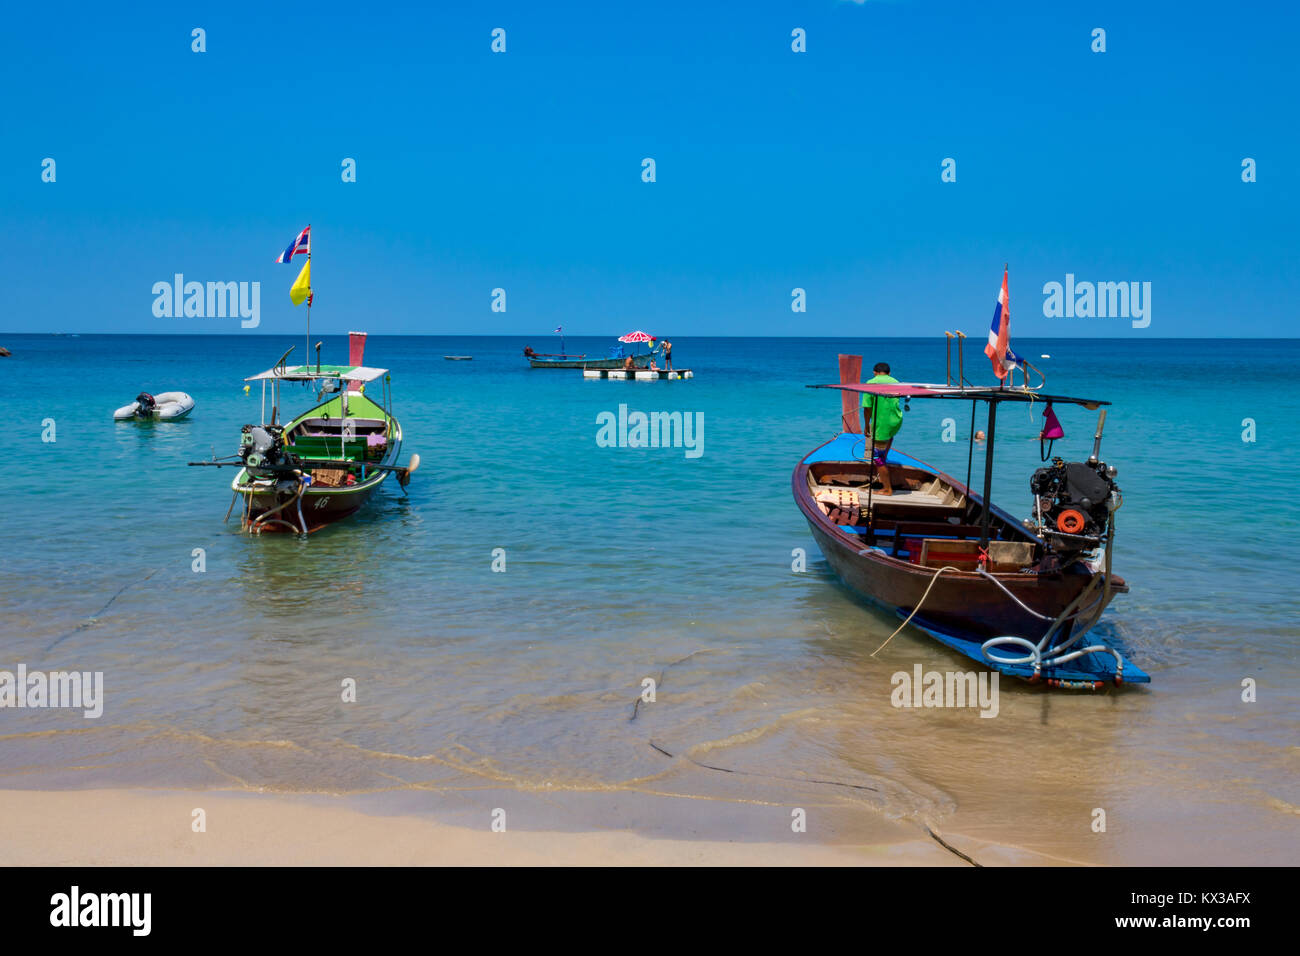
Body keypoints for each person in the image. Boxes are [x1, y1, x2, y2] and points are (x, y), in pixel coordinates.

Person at [861, 362, 903, 495]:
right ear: (889, 373)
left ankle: (887, 489)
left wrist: (867, 424)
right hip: (896, 421)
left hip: (882, 423)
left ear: (874, 372)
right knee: (883, 453)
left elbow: (867, 407)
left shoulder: (870, 383)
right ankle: (882, 476)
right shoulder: (896, 382)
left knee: (877, 458)